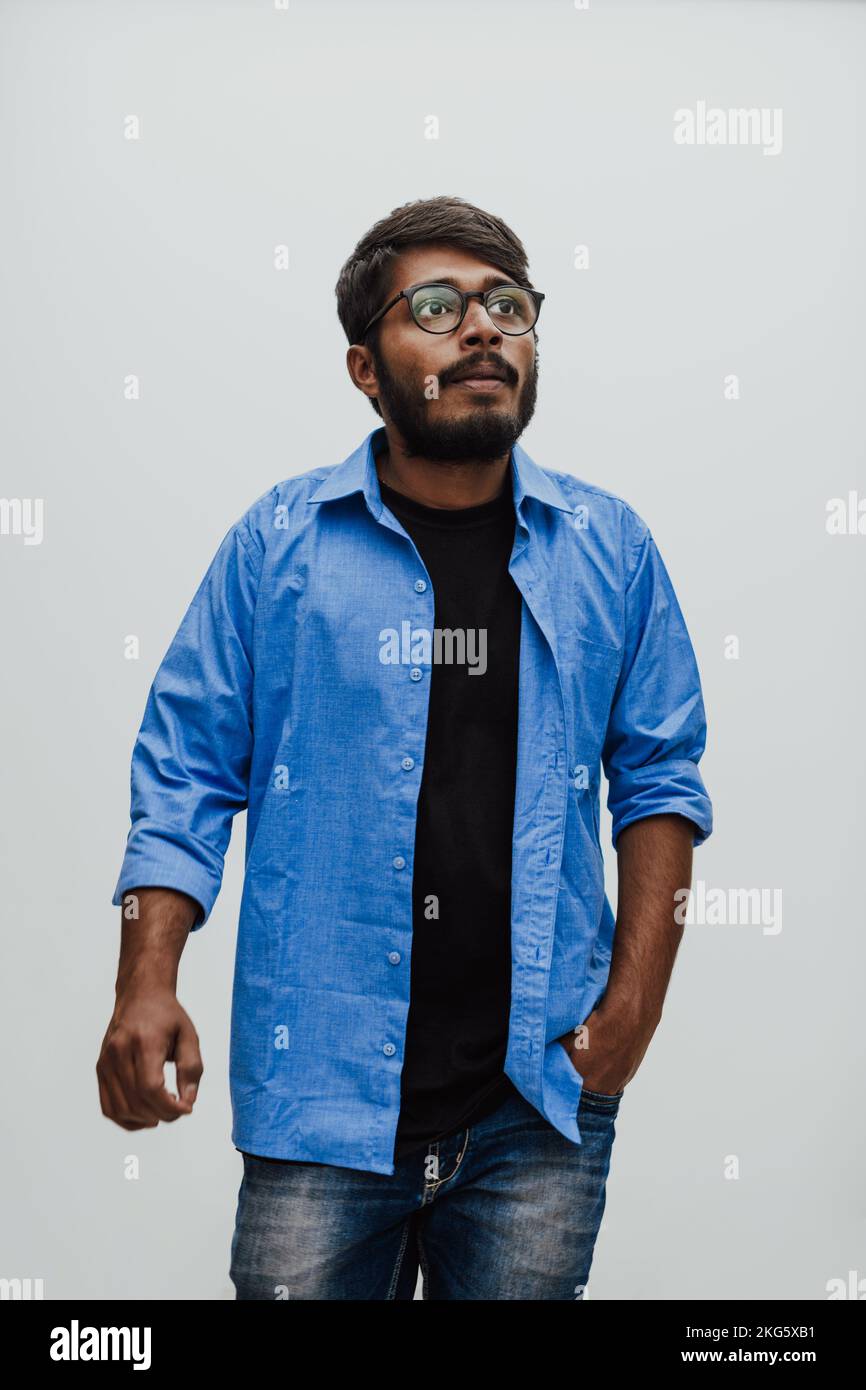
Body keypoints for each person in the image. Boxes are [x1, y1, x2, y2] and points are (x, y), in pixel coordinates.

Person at [99, 195, 713, 1300]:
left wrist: (628, 1014)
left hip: (536, 1101)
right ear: (364, 368)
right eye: (437, 307)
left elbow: (658, 779)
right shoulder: (279, 546)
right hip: (320, 1103)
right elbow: (185, 771)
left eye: (507, 307)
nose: (482, 330)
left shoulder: (607, 549)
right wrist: (146, 983)